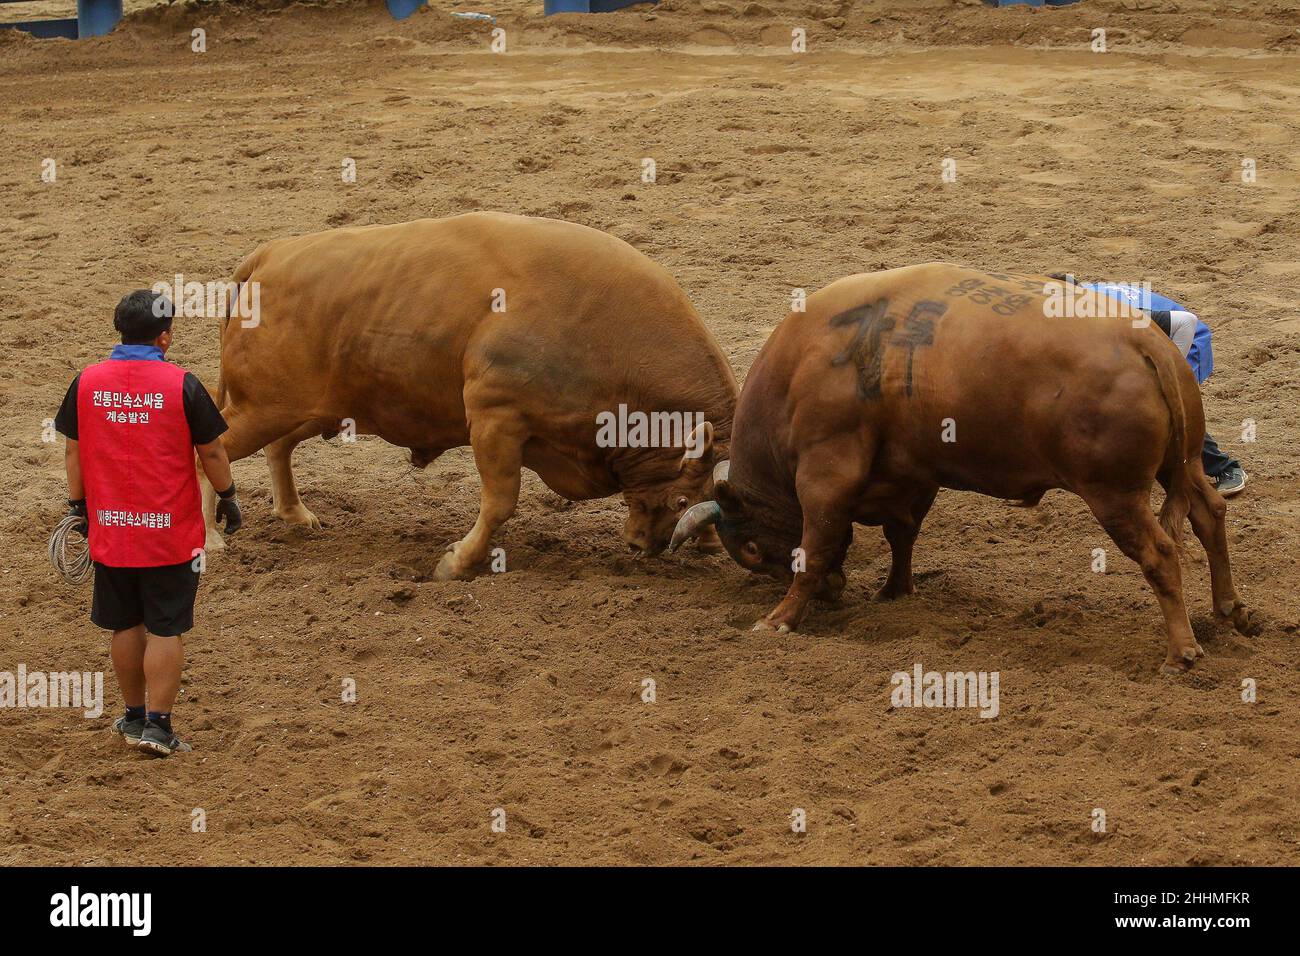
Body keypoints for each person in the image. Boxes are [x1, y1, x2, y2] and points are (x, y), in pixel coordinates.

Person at [54, 290, 243, 757]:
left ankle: (133, 715)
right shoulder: (183, 384)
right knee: (165, 627)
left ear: (120, 331)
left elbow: (73, 451)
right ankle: (158, 727)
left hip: (112, 530)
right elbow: (213, 451)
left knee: (125, 624)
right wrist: (227, 496)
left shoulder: (86, 382)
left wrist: (78, 508)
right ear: (165, 336)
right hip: (170, 534)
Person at [1055, 276, 1247, 496]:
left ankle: (1227, 469)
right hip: (1153, 342)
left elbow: (1186, 322)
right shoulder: (1084, 303)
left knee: (1168, 407)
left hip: (1188, 340)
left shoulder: (1106, 311)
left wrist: (1170, 377)